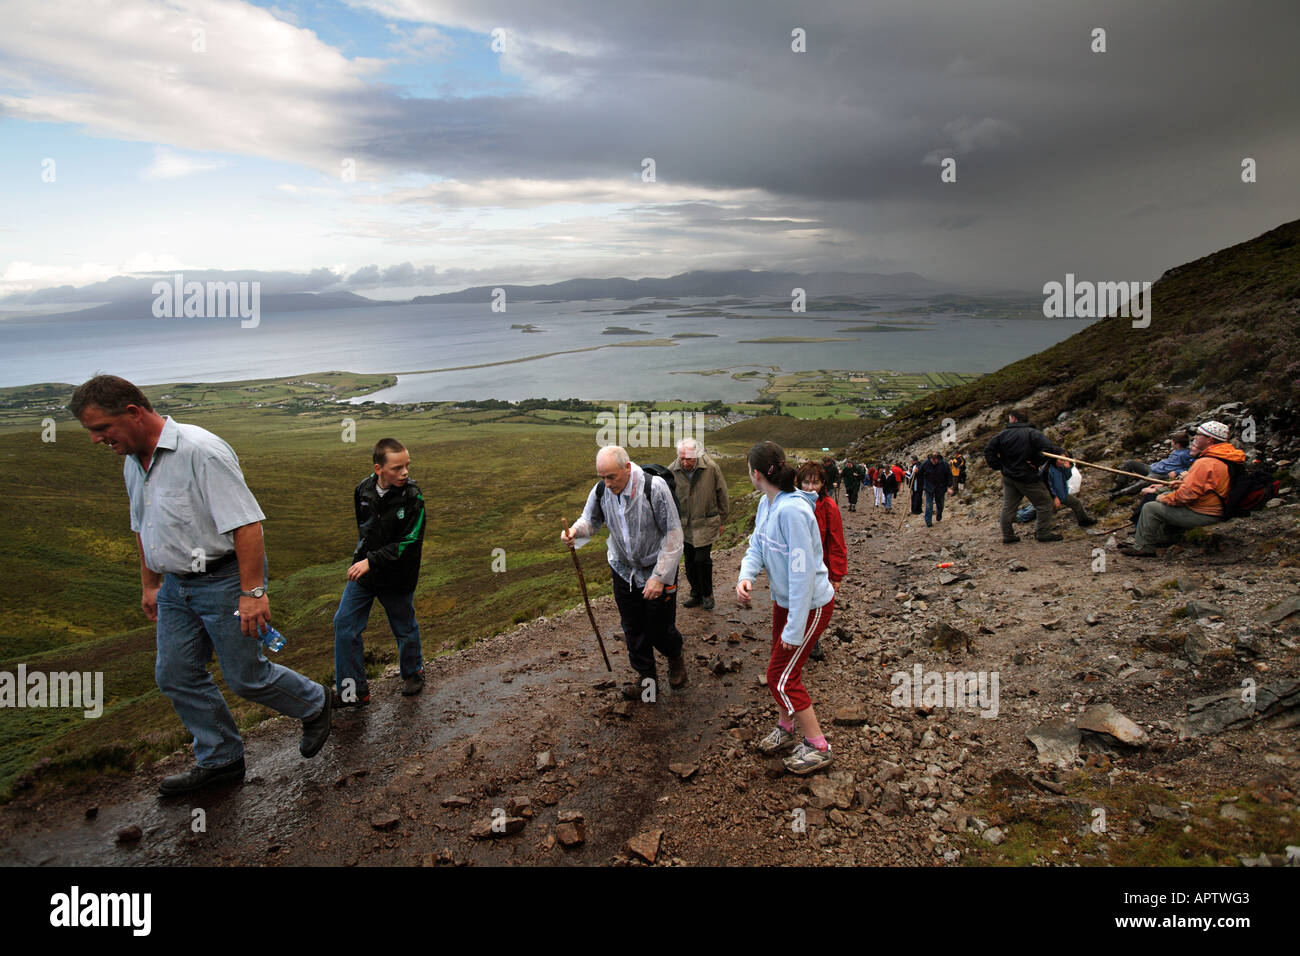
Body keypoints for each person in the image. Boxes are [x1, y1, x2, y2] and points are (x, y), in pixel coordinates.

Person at [71, 375, 331, 795]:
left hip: (225, 580)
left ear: (134, 413)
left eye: (102, 429)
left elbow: (247, 525)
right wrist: (150, 584)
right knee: (175, 674)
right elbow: (144, 527)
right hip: (176, 586)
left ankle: (316, 702)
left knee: (246, 677)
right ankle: (221, 759)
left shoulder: (200, 451)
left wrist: (252, 594)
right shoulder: (132, 461)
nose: (96, 440)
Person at [738, 442, 836, 775]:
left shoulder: (792, 511)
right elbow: (757, 544)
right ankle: (787, 726)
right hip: (787, 601)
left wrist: (794, 628)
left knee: (780, 676)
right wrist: (746, 575)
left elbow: (803, 573)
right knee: (779, 666)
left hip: (809, 605)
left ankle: (817, 745)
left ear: (756, 473)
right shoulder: (769, 504)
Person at [562, 445, 686, 699]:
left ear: (627, 468)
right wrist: (575, 532)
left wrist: (659, 577)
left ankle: (675, 657)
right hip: (622, 570)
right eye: (602, 477)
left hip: (656, 569)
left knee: (660, 628)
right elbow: (591, 520)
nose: (606, 483)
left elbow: (673, 535)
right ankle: (647, 681)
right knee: (633, 628)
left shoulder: (655, 488)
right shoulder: (601, 491)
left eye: (611, 477)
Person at [333, 438, 426, 706]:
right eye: (397, 468)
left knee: (404, 627)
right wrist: (364, 560)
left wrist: (371, 560)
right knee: (344, 624)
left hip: (397, 576)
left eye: (407, 465)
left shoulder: (413, 497)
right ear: (378, 468)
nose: (405, 472)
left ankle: (413, 673)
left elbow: (409, 542)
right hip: (365, 573)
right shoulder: (363, 490)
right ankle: (353, 691)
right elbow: (364, 530)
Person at [1120, 421, 1245, 557]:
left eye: (1198, 435)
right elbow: (1207, 486)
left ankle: (1143, 547)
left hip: (1205, 513)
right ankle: (1158, 538)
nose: (1195, 438)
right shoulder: (1226, 457)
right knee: (1163, 496)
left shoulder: (1206, 462)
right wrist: (1179, 485)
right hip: (1217, 507)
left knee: (1151, 507)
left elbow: (1187, 494)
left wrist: (1164, 498)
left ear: (1209, 439)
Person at [668, 436, 729, 611]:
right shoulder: (672, 470)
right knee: (689, 562)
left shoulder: (711, 468)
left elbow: (722, 493)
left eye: (689, 458)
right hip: (684, 524)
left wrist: (723, 519)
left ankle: (707, 594)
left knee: (702, 560)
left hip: (706, 522)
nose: (685, 462)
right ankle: (696, 593)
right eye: (682, 458)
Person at [984, 408, 1061, 543]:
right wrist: (1036, 462)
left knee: (1008, 506)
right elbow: (1047, 448)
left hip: (1008, 476)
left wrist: (999, 466)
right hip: (1027, 476)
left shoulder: (1002, 435)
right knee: (1044, 503)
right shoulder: (1033, 433)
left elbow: (988, 450)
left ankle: (1008, 536)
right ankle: (1043, 532)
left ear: (1013, 418)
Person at [796, 462, 847, 663]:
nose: (810, 487)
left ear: (823, 483)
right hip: (797, 564)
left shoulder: (828, 506)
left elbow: (836, 541)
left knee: (813, 604)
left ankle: (812, 641)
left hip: (819, 566)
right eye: (805, 482)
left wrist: (836, 574)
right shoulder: (793, 504)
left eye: (815, 483)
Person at [1110, 433, 1194, 498]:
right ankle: (1120, 484)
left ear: (1177, 444)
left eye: (1172, 442)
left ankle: (1119, 494)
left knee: (1140, 484)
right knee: (1130, 463)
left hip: (1159, 474)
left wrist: (1176, 471)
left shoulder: (1186, 455)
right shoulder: (1177, 451)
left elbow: (1190, 468)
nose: (1171, 443)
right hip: (1152, 467)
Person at [1042, 448, 1097, 527]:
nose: (1063, 462)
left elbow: (1066, 477)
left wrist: (1068, 468)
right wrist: (1054, 497)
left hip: (1062, 493)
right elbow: (1047, 486)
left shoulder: (1060, 467)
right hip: (1051, 496)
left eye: (1064, 460)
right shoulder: (1047, 470)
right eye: (1061, 459)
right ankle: (1042, 530)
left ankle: (1083, 520)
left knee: (1076, 503)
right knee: (1046, 511)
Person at [917, 451, 951, 527]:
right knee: (929, 504)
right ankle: (928, 521)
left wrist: (949, 486)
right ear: (930, 459)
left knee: (940, 504)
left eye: (935, 460)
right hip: (929, 486)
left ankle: (939, 514)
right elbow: (920, 472)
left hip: (941, 487)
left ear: (938, 459)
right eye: (932, 460)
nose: (934, 461)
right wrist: (917, 471)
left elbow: (949, 475)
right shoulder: (926, 463)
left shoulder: (944, 464)